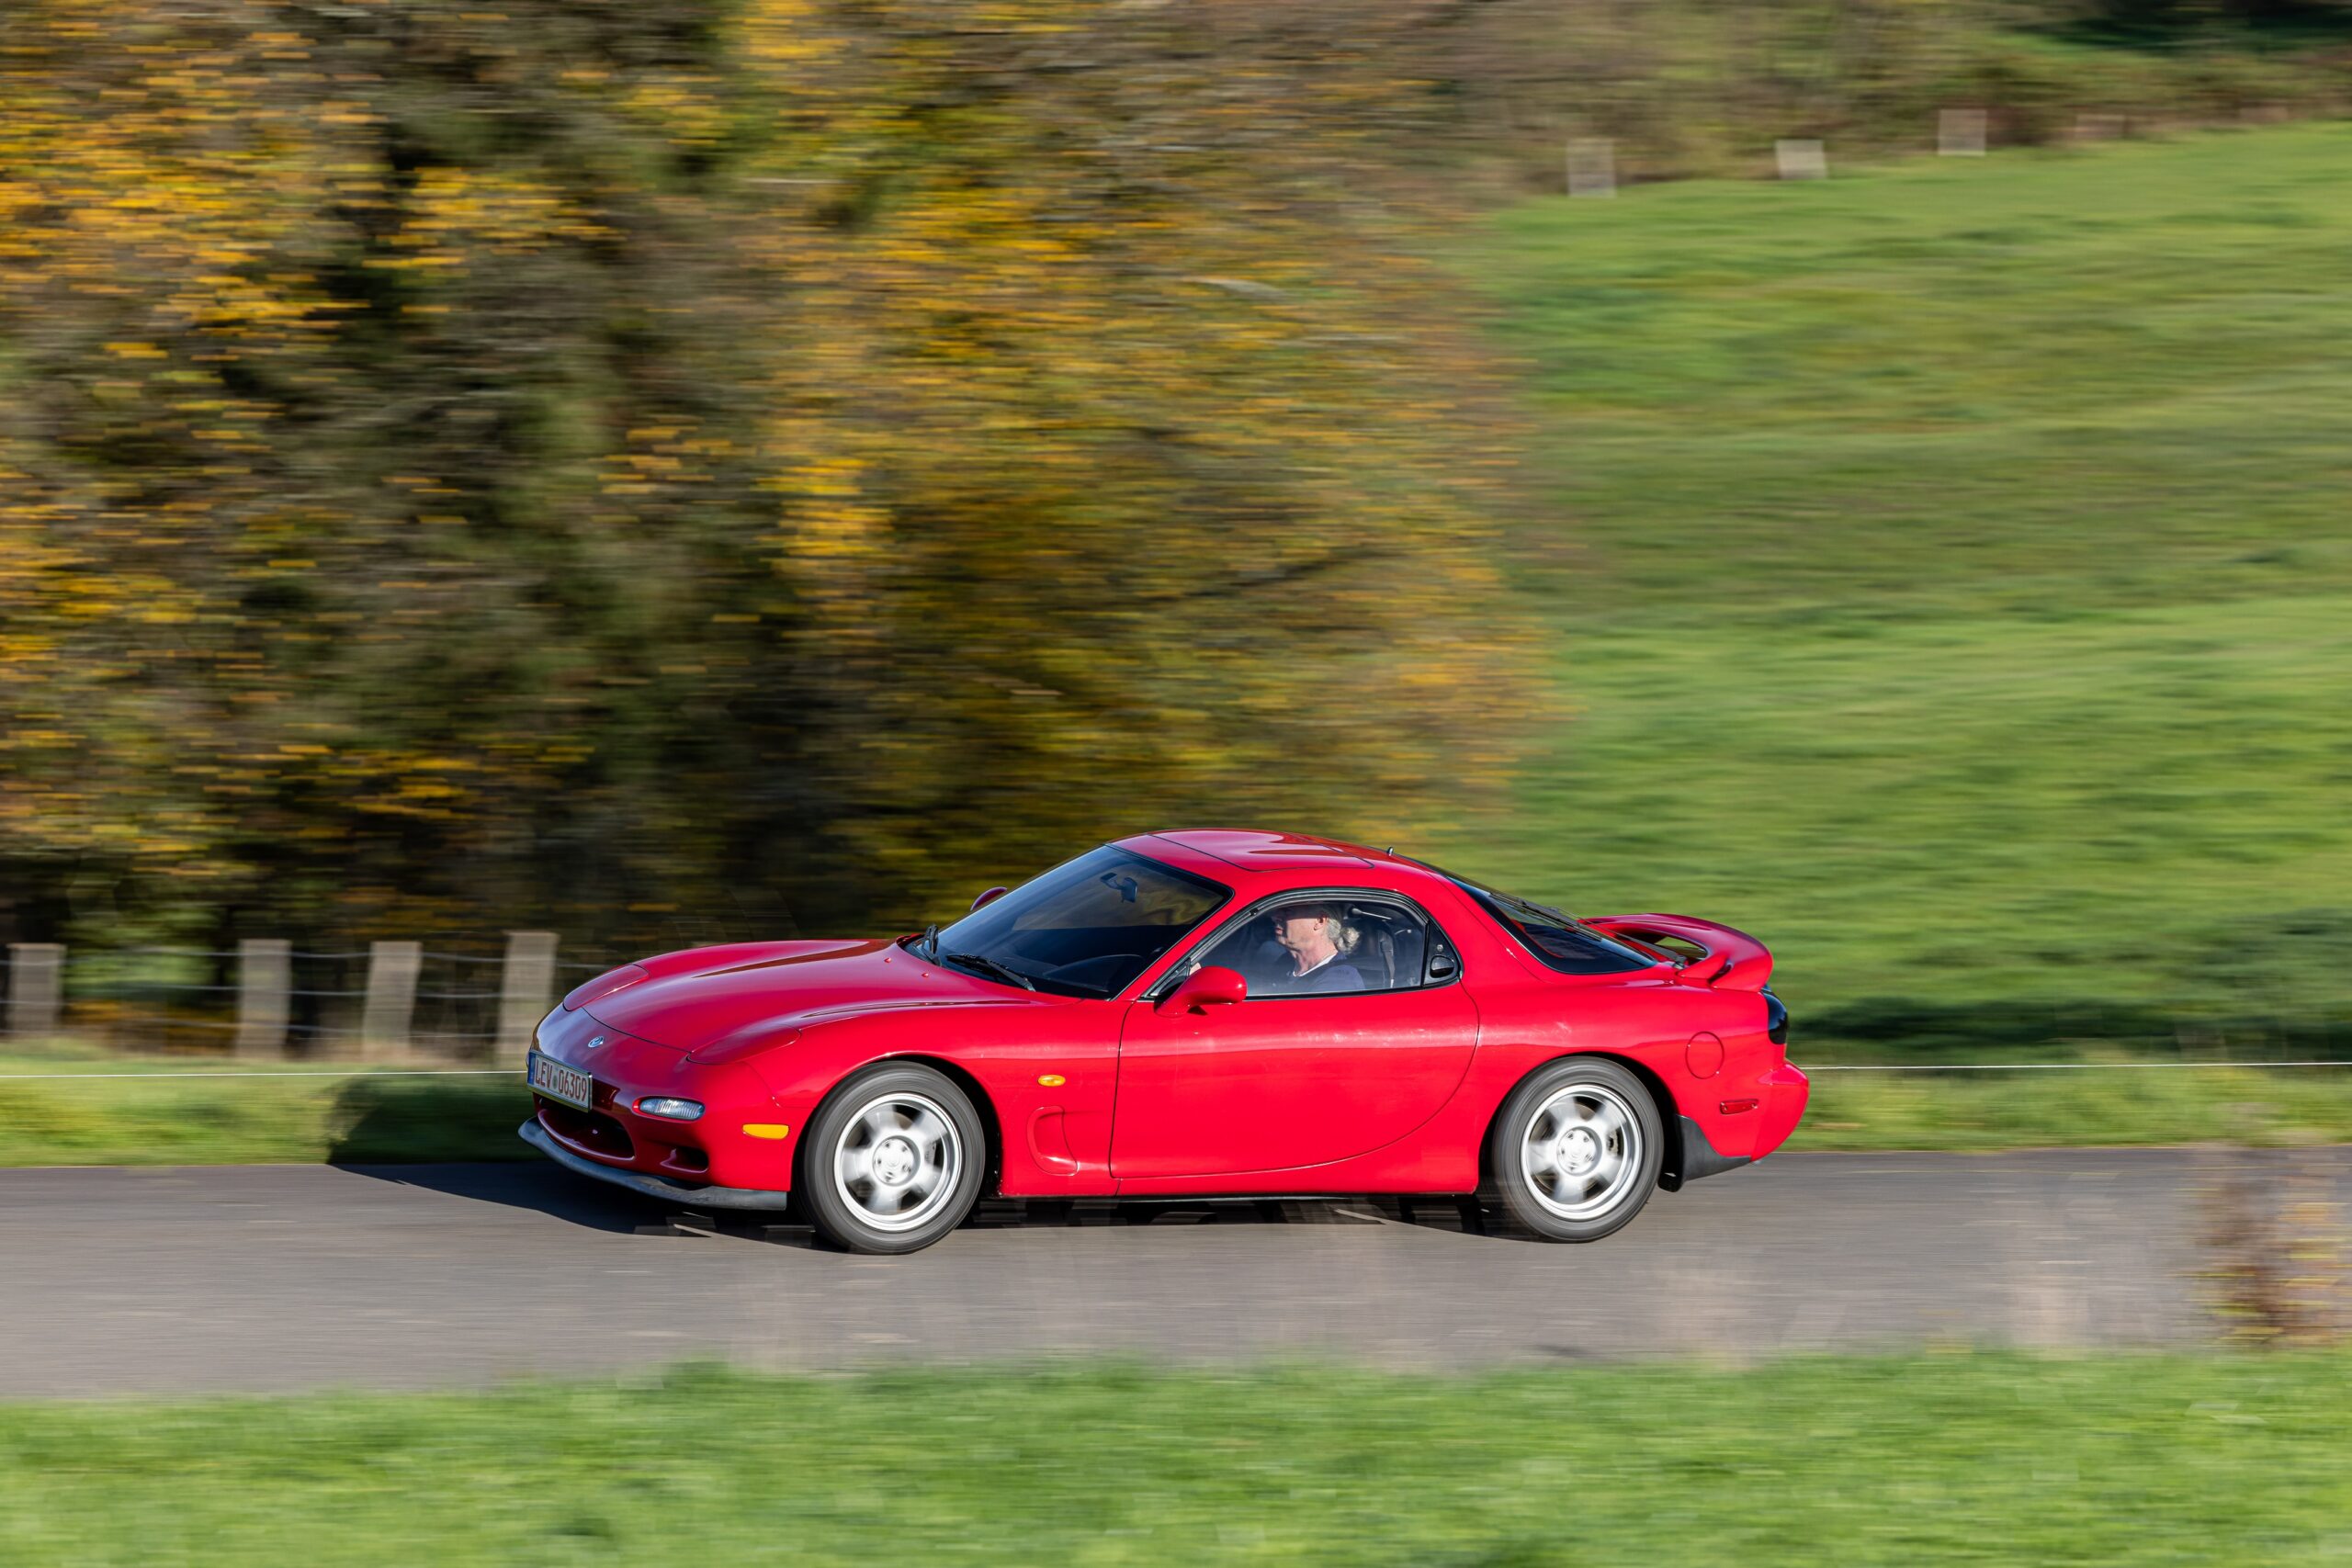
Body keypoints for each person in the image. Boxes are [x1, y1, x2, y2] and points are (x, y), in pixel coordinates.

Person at [1258, 901, 1364, 995]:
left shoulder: (1339, 982)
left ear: (1320, 921)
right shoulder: (1285, 962)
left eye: (1288, 911)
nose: (1275, 917)